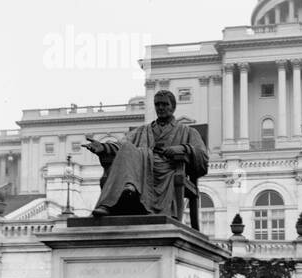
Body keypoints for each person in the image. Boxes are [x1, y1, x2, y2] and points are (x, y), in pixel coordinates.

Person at [82, 89, 208, 219]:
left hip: (166, 169)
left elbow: (202, 156)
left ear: (173, 107)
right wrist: (103, 147)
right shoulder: (142, 130)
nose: (160, 107)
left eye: (165, 104)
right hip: (140, 167)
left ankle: (129, 188)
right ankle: (116, 197)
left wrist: (183, 148)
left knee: (135, 153)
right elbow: (120, 145)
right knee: (127, 147)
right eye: (157, 104)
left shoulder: (188, 131)